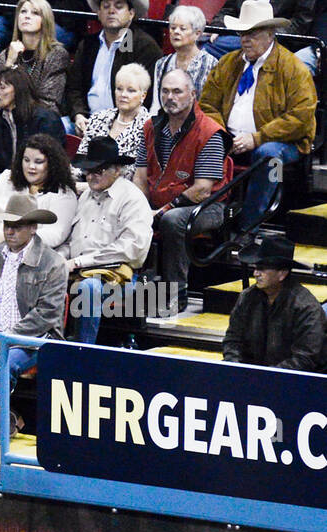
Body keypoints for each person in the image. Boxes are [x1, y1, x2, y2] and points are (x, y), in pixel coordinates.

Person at [198, 0, 317, 230]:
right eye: (242, 33)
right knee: (202, 140)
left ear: (271, 34)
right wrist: (222, 134)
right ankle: (206, 220)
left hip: (283, 143)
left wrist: (257, 137)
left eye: (252, 33)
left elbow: (300, 118)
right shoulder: (228, 63)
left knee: (269, 155)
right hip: (231, 139)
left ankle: (249, 226)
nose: (245, 39)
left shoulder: (293, 69)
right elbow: (207, 105)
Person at [0, 192, 67, 413]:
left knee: (4, 365)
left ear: (33, 228)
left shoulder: (53, 263)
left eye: (17, 226)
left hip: (32, 341)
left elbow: (46, 315)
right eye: (7, 224)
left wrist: (3, 340)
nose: (10, 231)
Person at [134, 69, 230, 311]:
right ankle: (130, 292)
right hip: (158, 203)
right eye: (165, 91)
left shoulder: (210, 132)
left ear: (192, 94)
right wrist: (140, 208)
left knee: (173, 220)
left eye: (177, 91)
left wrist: (164, 209)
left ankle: (177, 293)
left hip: (206, 207)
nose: (170, 97)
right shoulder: (151, 126)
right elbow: (140, 176)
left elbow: (203, 190)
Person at [65, 135, 153, 343]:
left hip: (119, 276)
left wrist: (79, 262)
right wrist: (58, 260)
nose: (92, 176)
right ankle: (38, 348)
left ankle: (82, 352)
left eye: (99, 170)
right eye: (88, 170)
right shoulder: (85, 197)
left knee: (89, 288)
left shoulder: (132, 198)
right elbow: (70, 240)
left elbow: (130, 249)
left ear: (117, 170)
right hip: (77, 271)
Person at [222, 235, 327, 372]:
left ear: (282, 274)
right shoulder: (247, 297)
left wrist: (268, 377)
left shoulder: (306, 308)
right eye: (256, 267)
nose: (256, 273)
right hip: (251, 376)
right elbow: (232, 340)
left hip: (293, 382)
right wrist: (235, 367)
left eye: (262, 269)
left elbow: (305, 358)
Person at [66, 0, 162, 137]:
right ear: (98, 13)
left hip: (124, 125)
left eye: (118, 6)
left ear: (131, 13)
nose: (111, 11)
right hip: (86, 120)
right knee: (58, 126)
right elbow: (74, 88)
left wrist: (116, 124)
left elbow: (146, 97)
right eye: (105, 6)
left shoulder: (144, 47)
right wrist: (79, 115)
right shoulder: (88, 44)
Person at [0, 132, 77, 253]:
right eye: (26, 160)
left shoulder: (64, 195)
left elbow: (55, 234)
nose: (31, 166)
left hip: (34, 256)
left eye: (38, 162)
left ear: (51, 164)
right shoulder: (7, 178)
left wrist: (8, 238)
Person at [74, 62, 150, 183]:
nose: (123, 95)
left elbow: (131, 174)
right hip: (86, 182)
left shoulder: (148, 127)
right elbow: (81, 159)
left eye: (131, 90)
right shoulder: (98, 118)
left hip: (122, 191)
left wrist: (88, 186)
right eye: (119, 89)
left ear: (143, 95)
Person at [0, 65, 64, 176]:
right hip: (4, 181)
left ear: (18, 89)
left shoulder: (45, 119)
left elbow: (52, 163)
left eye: (2, 87)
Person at [0, 0, 69, 113]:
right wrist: (9, 63)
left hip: (39, 120)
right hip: (7, 117)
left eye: (35, 13)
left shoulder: (56, 55)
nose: (27, 16)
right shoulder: (7, 54)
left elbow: (49, 102)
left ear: (45, 20)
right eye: (23, 12)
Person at [148, 5, 217, 115]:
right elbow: (156, 106)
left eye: (182, 28)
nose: (176, 32)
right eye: (173, 28)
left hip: (199, 126)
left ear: (197, 34)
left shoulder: (211, 64)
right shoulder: (161, 64)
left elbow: (212, 108)